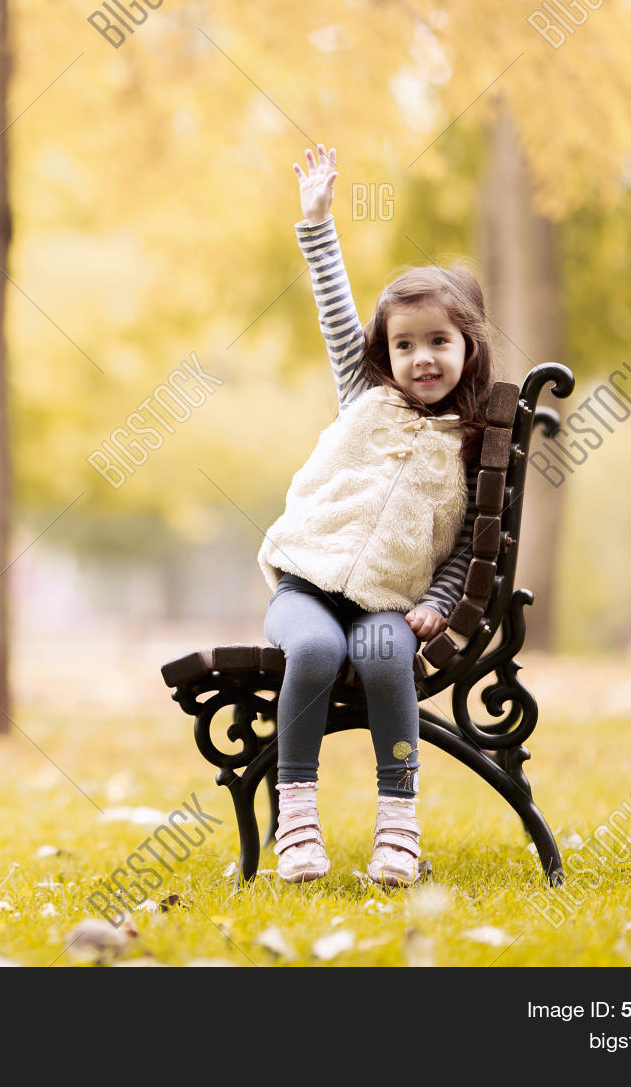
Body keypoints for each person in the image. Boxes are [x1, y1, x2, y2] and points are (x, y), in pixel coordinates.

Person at [256, 143, 498, 886]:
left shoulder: (467, 446)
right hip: (306, 591)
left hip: (388, 606)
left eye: (438, 343)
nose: (421, 358)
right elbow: (335, 311)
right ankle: (296, 823)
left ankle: (399, 827)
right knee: (318, 653)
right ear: (383, 354)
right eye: (404, 344)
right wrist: (318, 222)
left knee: (387, 656)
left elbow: (462, 547)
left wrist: (434, 601)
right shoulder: (365, 397)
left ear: (466, 349)